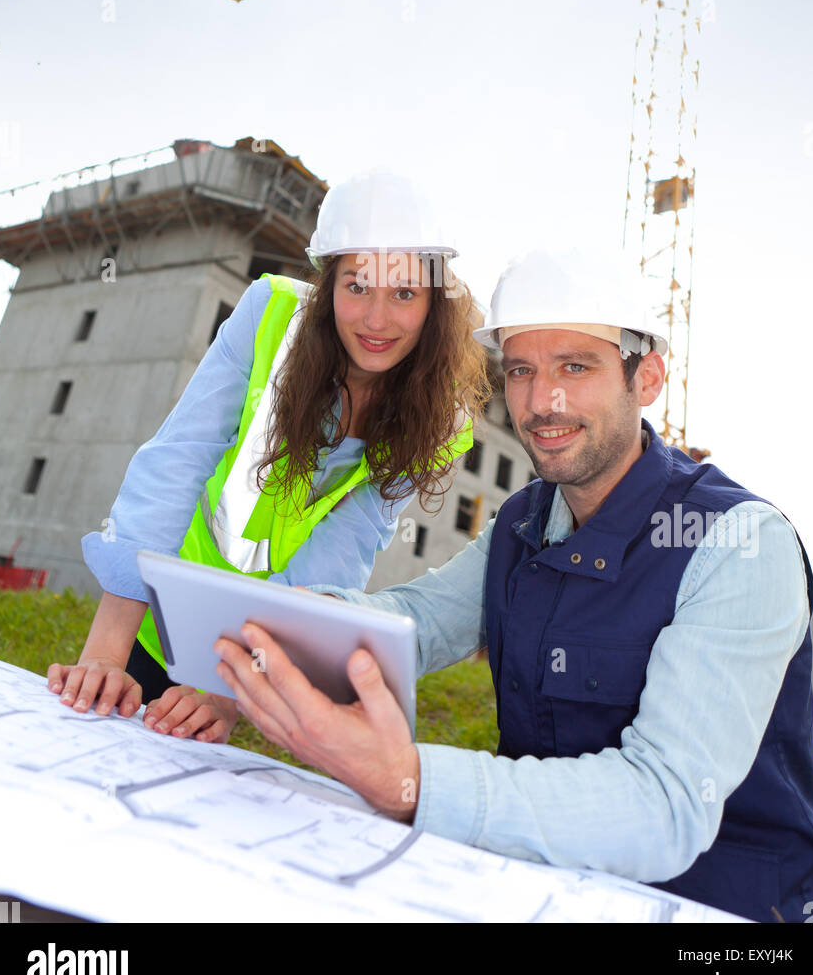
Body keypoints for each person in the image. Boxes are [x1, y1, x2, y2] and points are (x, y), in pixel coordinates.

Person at [214, 248, 813, 924]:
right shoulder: (525, 521)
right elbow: (417, 619)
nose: (543, 403)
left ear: (649, 377)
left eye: (576, 366)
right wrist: (287, 620)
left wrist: (412, 780)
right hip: (548, 892)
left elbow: (664, 806)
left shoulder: (737, 545)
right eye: (521, 371)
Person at [47, 170, 489, 744]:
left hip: (251, 649)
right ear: (329, 283)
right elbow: (175, 464)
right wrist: (106, 653)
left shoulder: (441, 426)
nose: (377, 321)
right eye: (357, 286)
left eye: (404, 292)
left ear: (435, 302)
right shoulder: (269, 316)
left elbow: (343, 550)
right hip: (149, 615)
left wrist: (228, 686)